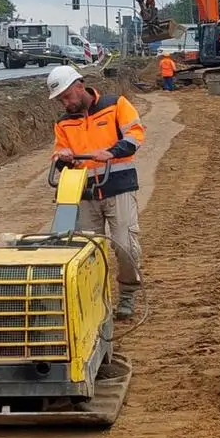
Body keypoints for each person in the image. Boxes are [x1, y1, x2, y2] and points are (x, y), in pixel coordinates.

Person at [46, 64, 145, 319]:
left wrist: (112, 152)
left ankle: (127, 294)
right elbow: (59, 154)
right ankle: (97, 301)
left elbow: (135, 135)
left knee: (125, 245)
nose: (64, 103)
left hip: (118, 186)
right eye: (60, 100)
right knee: (89, 251)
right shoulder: (64, 123)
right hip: (85, 193)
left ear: (80, 86)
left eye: (67, 96)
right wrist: (64, 157)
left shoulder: (116, 105)